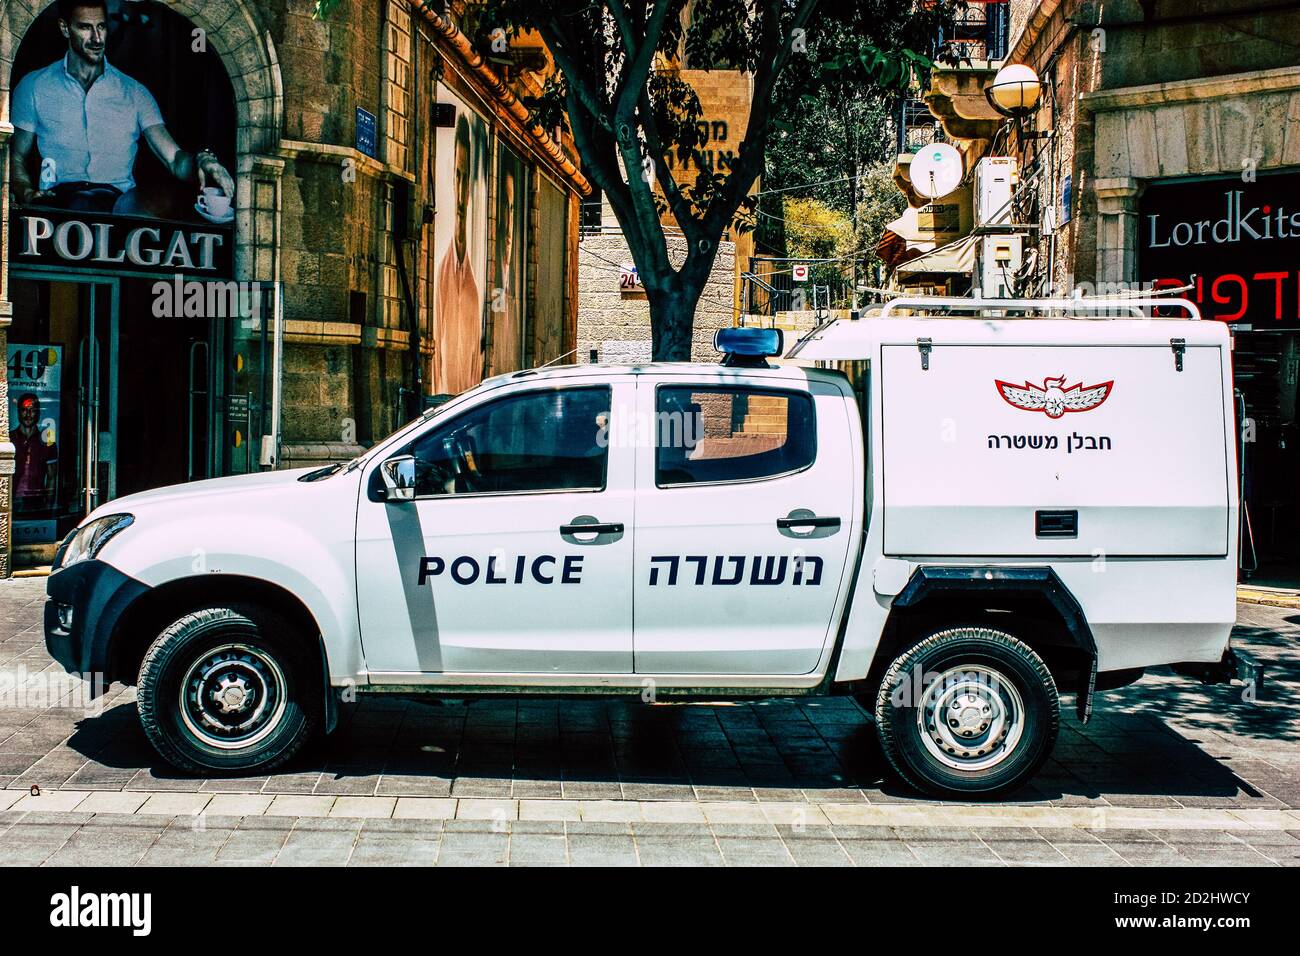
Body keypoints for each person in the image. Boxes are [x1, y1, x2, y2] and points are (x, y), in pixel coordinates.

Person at [8, 0, 235, 215]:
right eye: (85, 27)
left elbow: (174, 159)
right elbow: (16, 157)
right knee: (79, 203)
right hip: (59, 204)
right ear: (65, 29)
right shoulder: (34, 85)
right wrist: (25, 191)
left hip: (119, 206)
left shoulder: (135, 92)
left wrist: (205, 160)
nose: (97, 38)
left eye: (101, 27)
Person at [436, 116, 482, 395]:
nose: (462, 186)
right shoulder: (440, 277)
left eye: (466, 176)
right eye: (457, 175)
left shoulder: (474, 287)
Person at [12, 393, 58, 511]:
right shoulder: (9, 439)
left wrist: (48, 506)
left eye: (32, 410)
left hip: (37, 502)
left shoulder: (47, 441)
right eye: (24, 410)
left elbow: (52, 477)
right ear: (18, 412)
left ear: (38, 413)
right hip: (11, 500)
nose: (28, 414)